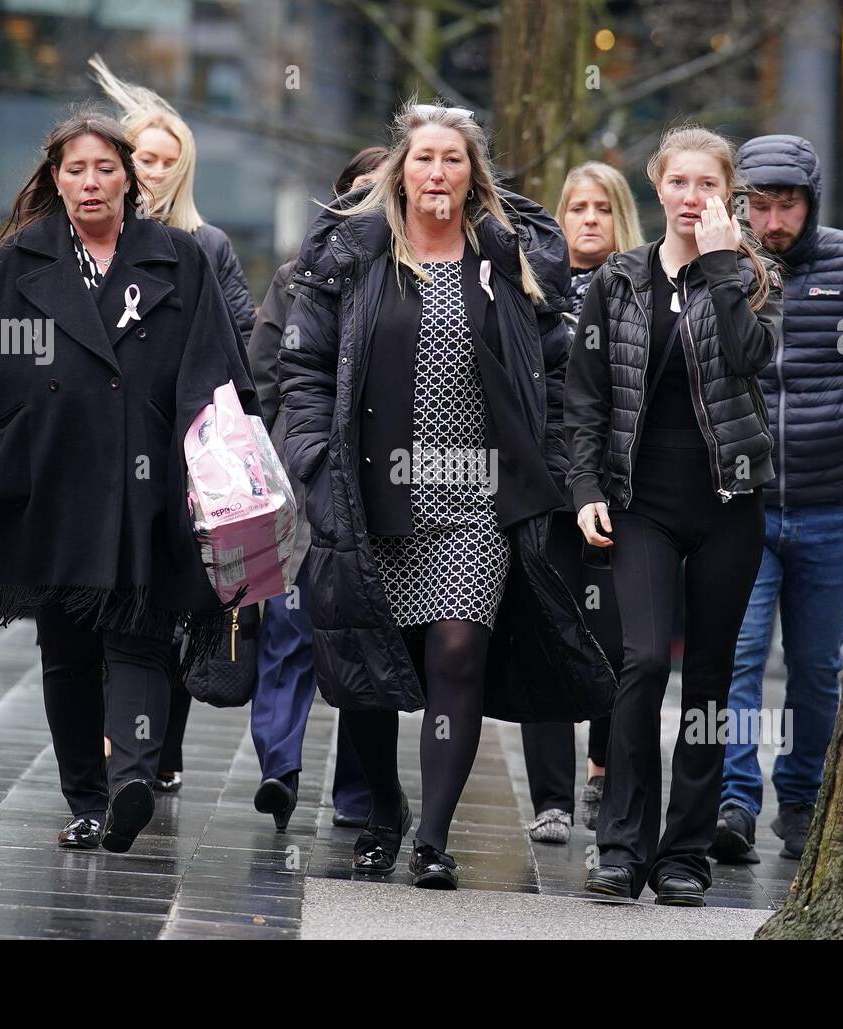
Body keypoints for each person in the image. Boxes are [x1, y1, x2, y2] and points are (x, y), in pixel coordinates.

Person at [0, 111, 257, 853]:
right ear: (55, 179)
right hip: (55, 486)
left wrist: (221, 464)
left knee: (140, 632)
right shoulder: (22, 262)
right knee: (68, 646)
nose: (90, 183)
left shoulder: (179, 259)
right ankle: (88, 796)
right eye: (75, 171)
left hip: (147, 483)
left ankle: (132, 780)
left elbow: (215, 371)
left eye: (105, 169)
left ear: (129, 178)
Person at [278, 99, 615, 890]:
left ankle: (431, 836)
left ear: (474, 176)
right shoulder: (351, 257)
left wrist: (559, 466)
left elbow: (558, 371)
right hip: (367, 490)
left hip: (475, 498)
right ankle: (384, 812)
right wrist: (316, 461)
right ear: (400, 170)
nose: (437, 172)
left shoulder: (507, 261)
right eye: (424, 158)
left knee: (458, 648)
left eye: (453, 160)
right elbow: (304, 370)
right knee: (365, 665)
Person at [564, 125, 782, 905]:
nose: (694, 198)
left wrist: (724, 265)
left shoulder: (756, 276)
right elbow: (585, 398)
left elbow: (753, 356)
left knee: (711, 680)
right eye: (681, 182)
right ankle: (622, 844)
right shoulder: (616, 280)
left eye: (709, 185)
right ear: (658, 186)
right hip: (640, 502)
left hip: (730, 501)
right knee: (644, 659)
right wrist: (584, 485)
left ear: (730, 195)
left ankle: (685, 851)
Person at [90, 56, 259, 793]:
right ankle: (117, 743)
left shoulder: (205, 249)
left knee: (168, 605)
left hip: (178, 457)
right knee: (99, 606)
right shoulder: (85, 245)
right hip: (95, 456)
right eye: (143, 158)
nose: (152, 171)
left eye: (165, 161)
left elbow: (242, 341)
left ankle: (154, 748)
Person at [711, 134, 843, 862]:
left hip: (827, 503)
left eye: (787, 206)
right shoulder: (726, 262)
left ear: (813, 202)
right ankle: (735, 801)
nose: (773, 222)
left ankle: (804, 797)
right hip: (744, 502)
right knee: (739, 658)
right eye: (759, 205)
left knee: (817, 667)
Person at [246, 146, 387, 831]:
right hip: (302, 487)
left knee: (362, 644)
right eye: (357, 193)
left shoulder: (409, 282)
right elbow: (263, 377)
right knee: (289, 630)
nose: (368, 206)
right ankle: (279, 766)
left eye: (380, 193)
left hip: (381, 493)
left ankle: (358, 796)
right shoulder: (295, 279)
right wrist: (280, 465)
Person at [521, 161, 642, 844]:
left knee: (619, 642)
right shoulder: (532, 290)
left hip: (619, 488)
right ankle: (550, 797)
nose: (589, 218)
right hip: (543, 487)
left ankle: (601, 768)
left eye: (602, 206)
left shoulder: (640, 287)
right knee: (545, 637)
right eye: (576, 207)